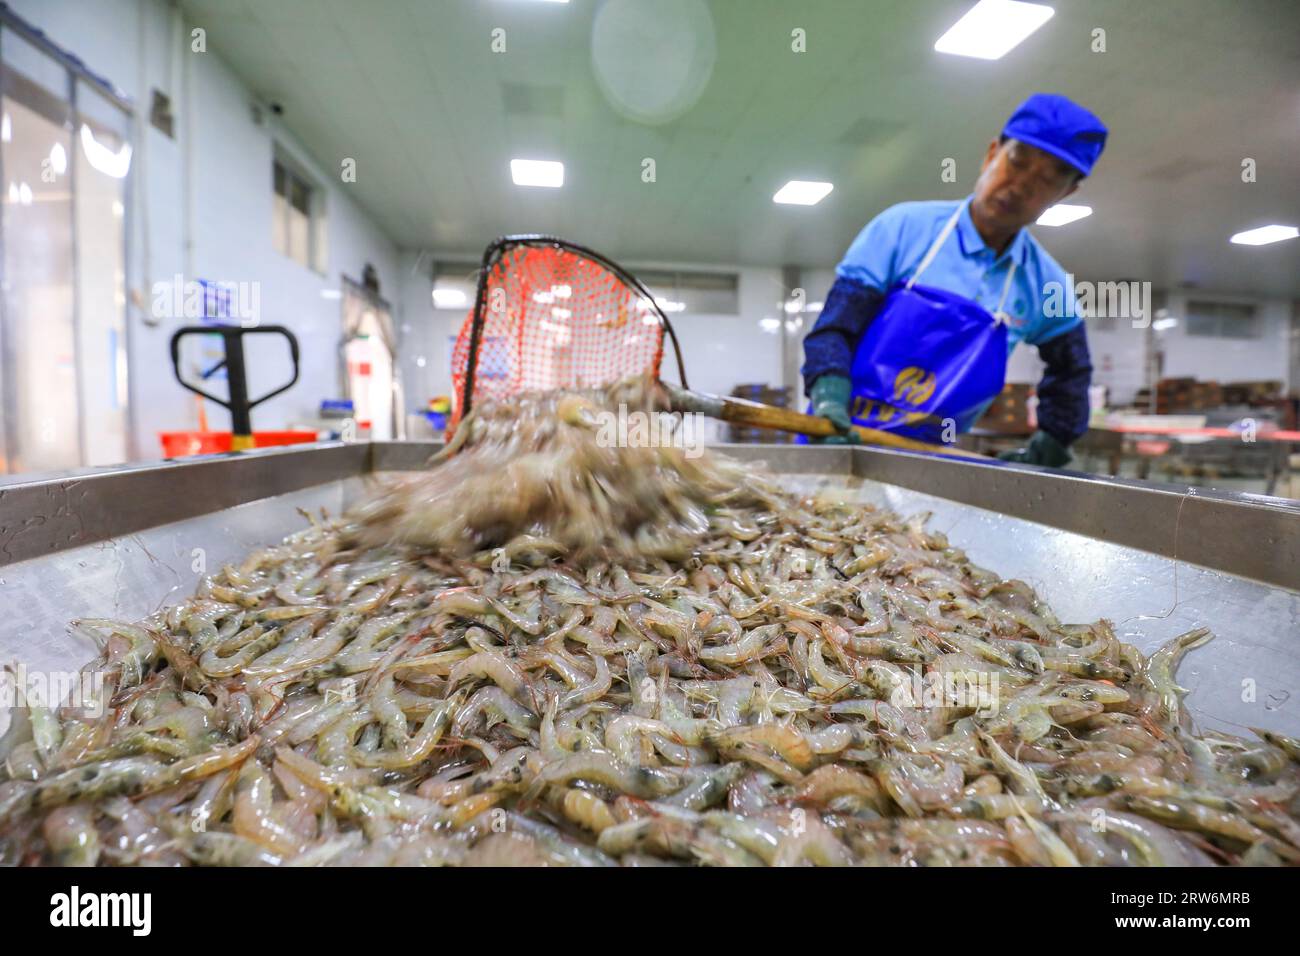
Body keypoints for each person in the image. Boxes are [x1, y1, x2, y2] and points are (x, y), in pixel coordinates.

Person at [801, 93, 1106, 466]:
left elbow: (1072, 373)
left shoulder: (1048, 285)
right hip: (838, 435)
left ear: (1067, 193)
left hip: (930, 461)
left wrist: (1052, 444)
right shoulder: (901, 230)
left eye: (1045, 180)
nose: (1020, 187)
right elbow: (834, 327)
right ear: (992, 153)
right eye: (1017, 162)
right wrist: (829, 398)